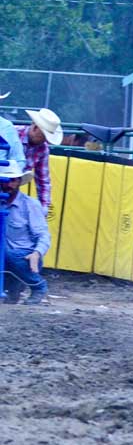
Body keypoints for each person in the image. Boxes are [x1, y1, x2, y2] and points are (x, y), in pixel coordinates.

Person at [0, 163, 51, 305]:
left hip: (24, 257)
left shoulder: (30, 205)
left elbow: (43, 235)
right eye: (5, 180)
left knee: (8, 253)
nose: (9, 184)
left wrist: (37, 253)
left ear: (19, 182)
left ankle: (38, 287)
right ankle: (12, 290)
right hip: (5, 258)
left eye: (13, 180)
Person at [17, 108, 63, 213]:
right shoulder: (12, 134)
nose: (44, 140)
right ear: (35, 128)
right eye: (43, 136)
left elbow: (43, 180)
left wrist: (43, 207)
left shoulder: (43, 148)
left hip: (11, 187)